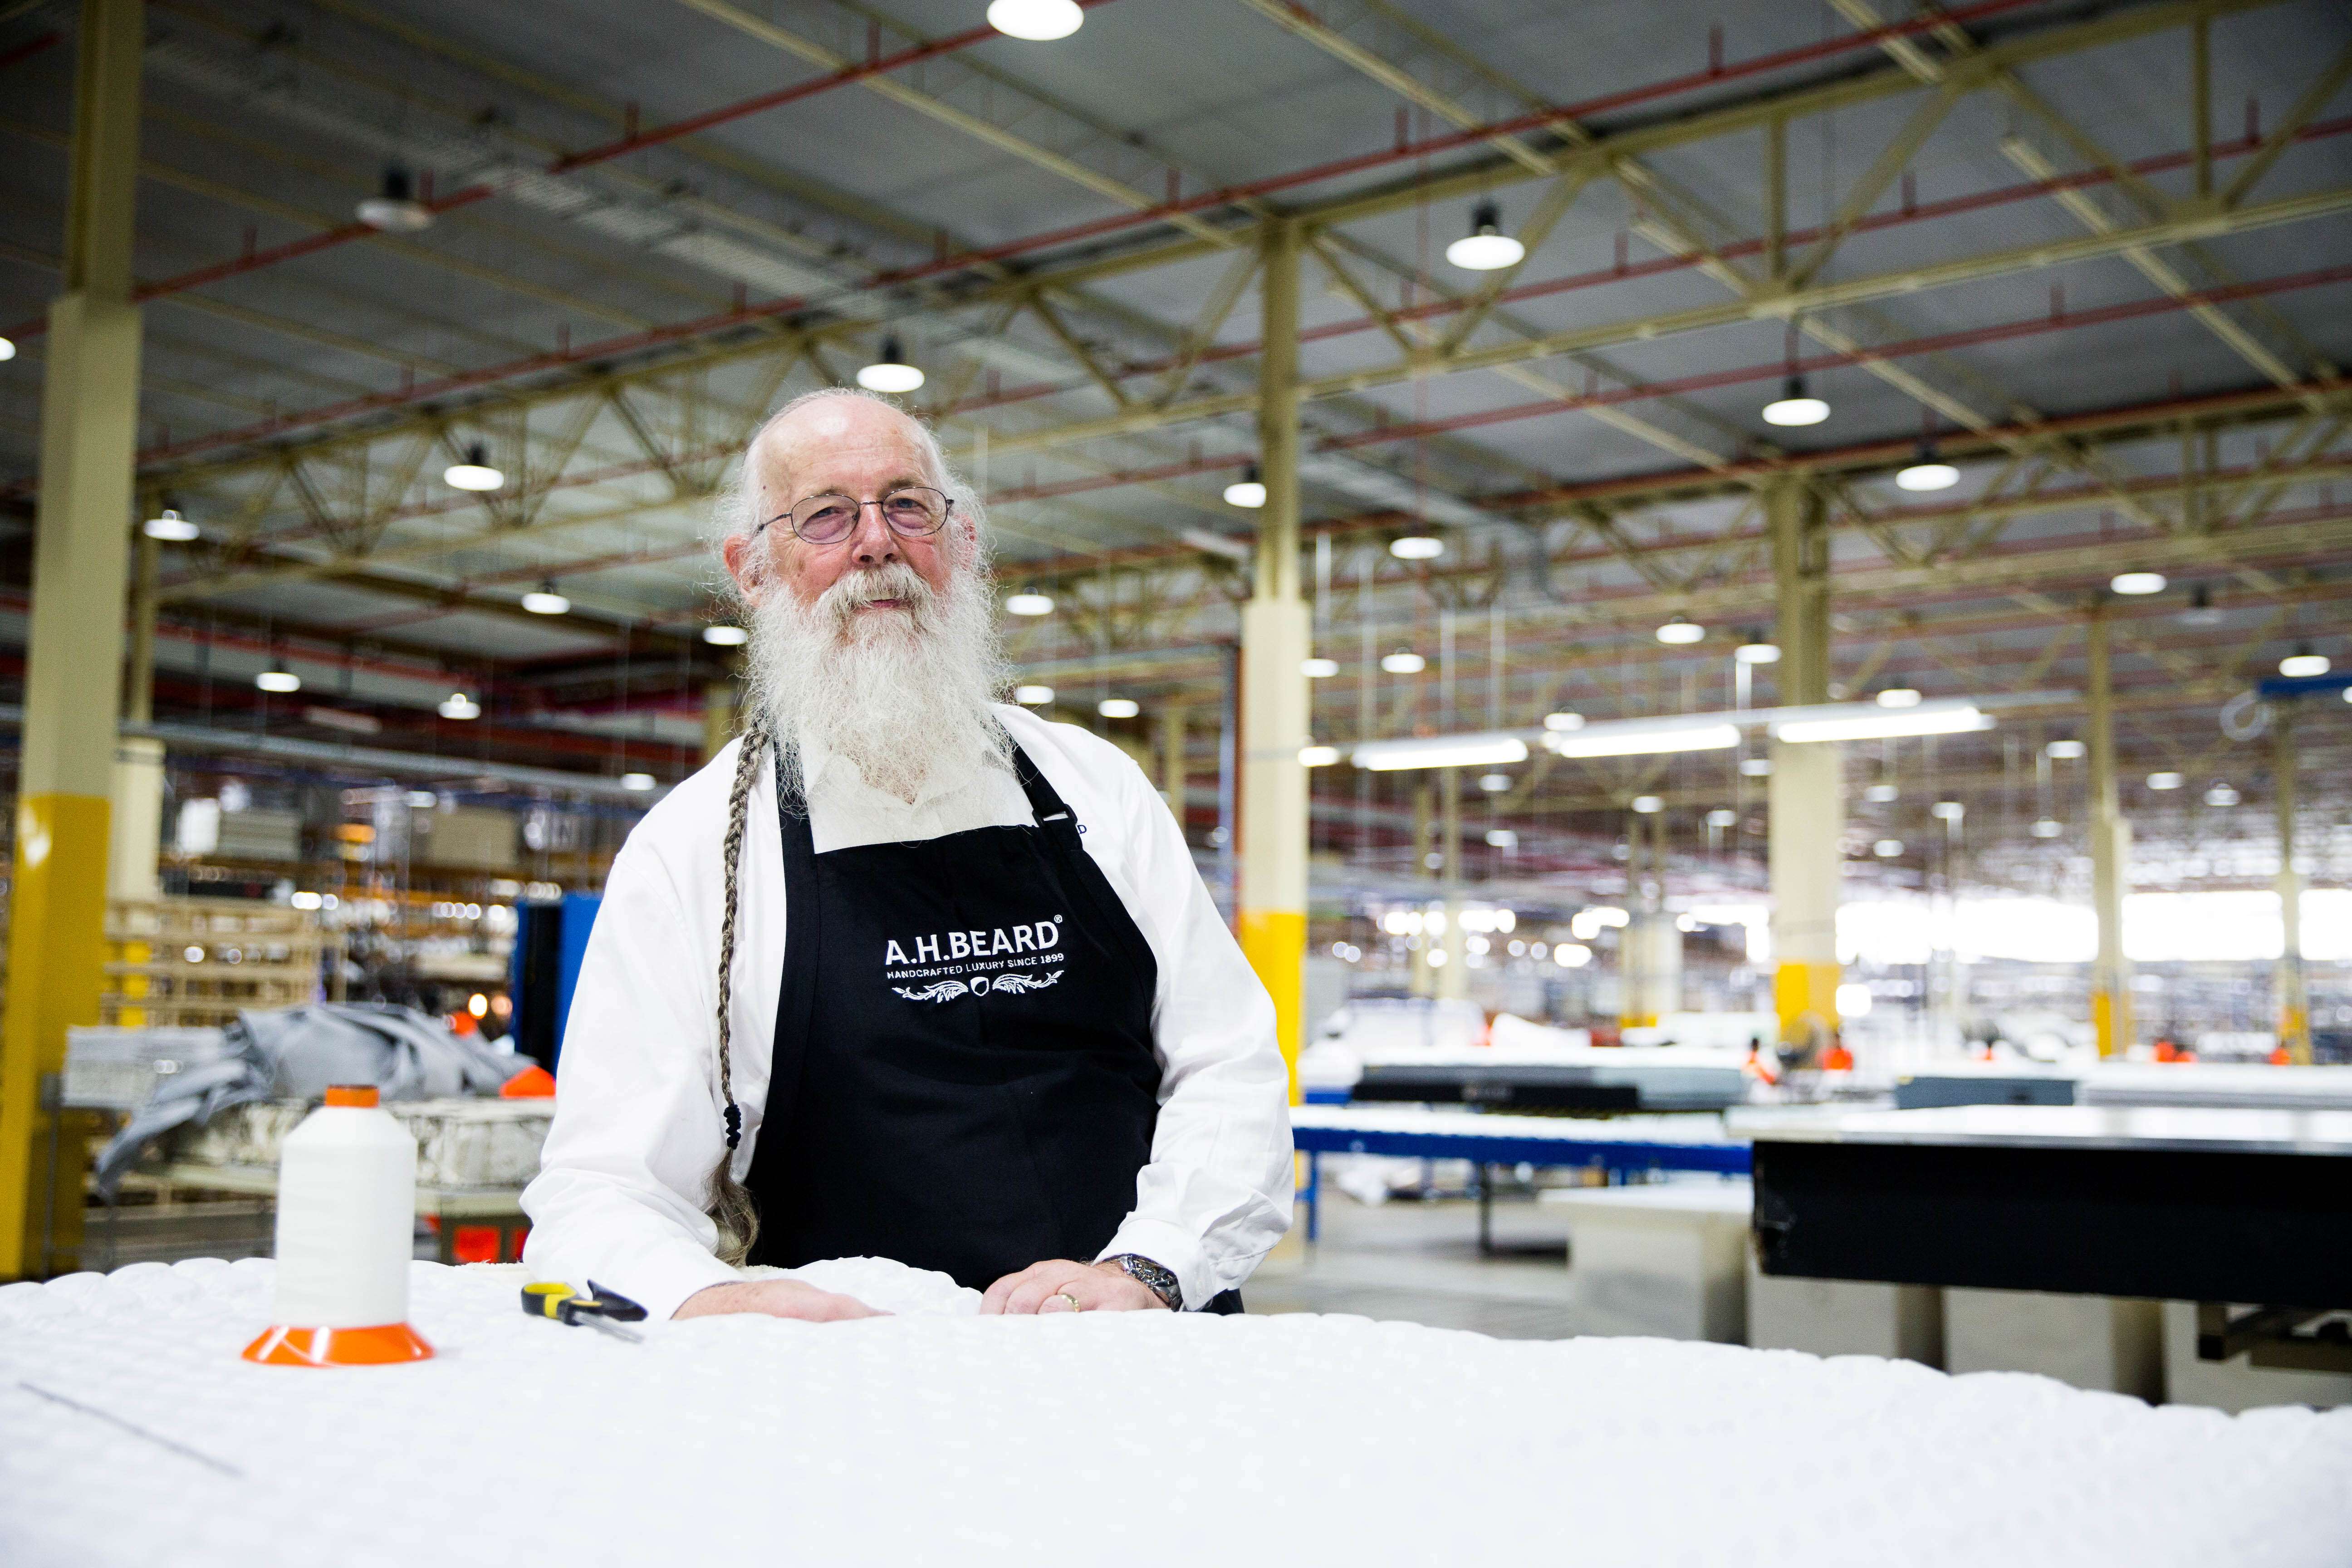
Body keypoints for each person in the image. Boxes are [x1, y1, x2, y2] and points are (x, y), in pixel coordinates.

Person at [519, 388, 1294, 1321]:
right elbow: (603, 1186)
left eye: (907, 504)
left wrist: (1153, 1267)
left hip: (1139, 1350)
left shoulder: (1095, 788)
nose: (876, 542)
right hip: (860, 1392)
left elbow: (1227, 1066)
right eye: (825, 516)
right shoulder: (695, 854)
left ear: (960, 544)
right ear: (754, 570)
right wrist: (702, 1299)